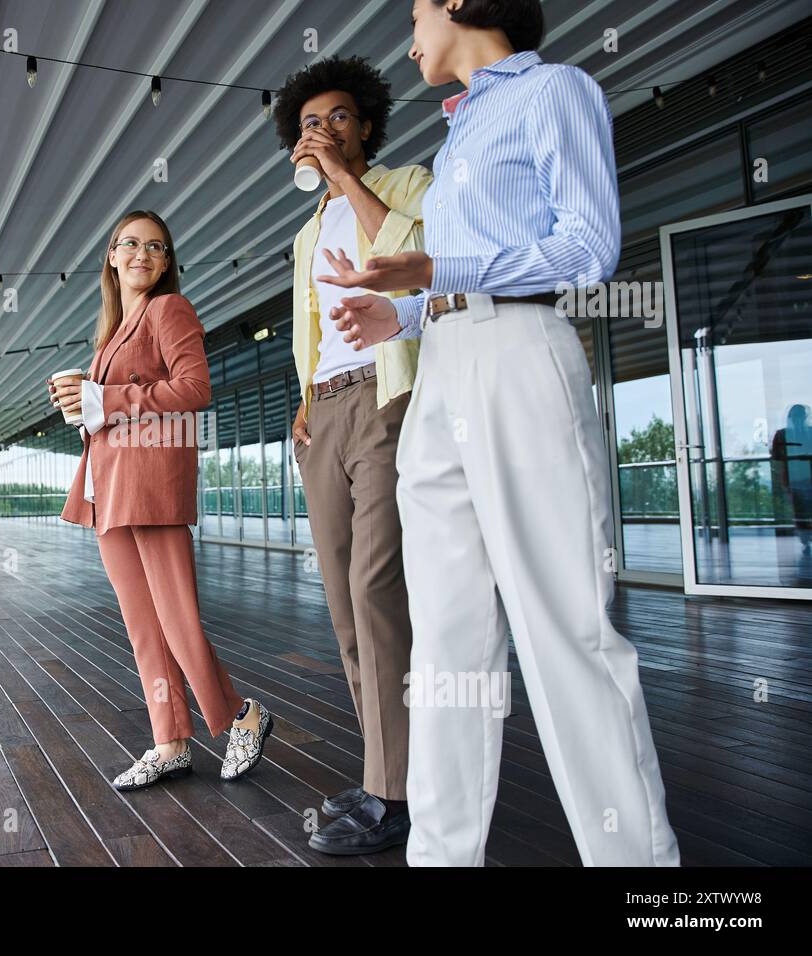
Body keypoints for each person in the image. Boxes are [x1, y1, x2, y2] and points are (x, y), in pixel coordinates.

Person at [319, 0, 680, 866]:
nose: (407, 39)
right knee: (446, 641)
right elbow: (452, 277)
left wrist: (443, 268)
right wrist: (398, 312)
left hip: (520, 354)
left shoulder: (557, 90)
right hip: (442, 363)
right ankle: (441, 856)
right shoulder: (458, 136)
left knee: (565, 629)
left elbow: (589, 249)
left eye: (414, 13)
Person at [48, 210, 273, 791]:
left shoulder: (169, 310)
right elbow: (111, 407)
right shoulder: (110, 330)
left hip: (152, 487)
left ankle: (241, 717)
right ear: (112, 255)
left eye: (156, 246)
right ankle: (169, 740)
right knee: (144, 626)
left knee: (177, 622)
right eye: (130, 243)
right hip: (110, 490)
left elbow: (194, 389)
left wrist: (104, 398)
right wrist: (83, 406)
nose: (142, 253)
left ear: (167, 261)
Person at [273, 55, 432, 855]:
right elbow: (312, 324)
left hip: (386, 396)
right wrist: (303, 405)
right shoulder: (305, 234)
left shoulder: (404, 184)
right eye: (308, 124)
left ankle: (397, 790)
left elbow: (413, 250)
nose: (323, 131)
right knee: (341, 599)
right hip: (326, 413)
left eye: (337, 118)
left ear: (365, 123)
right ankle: (385, 772)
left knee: (376, 585)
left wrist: (344, 179)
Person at [771, 403, 812, 554]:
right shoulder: (782, 435)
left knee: (801, 510)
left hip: (802, 479)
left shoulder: (784, 434)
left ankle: (805, 540)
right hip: (794, 480)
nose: (799, 419)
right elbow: (776, 456)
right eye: (797, 416)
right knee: (800, 511)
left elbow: (776, 456)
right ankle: (805, 540)